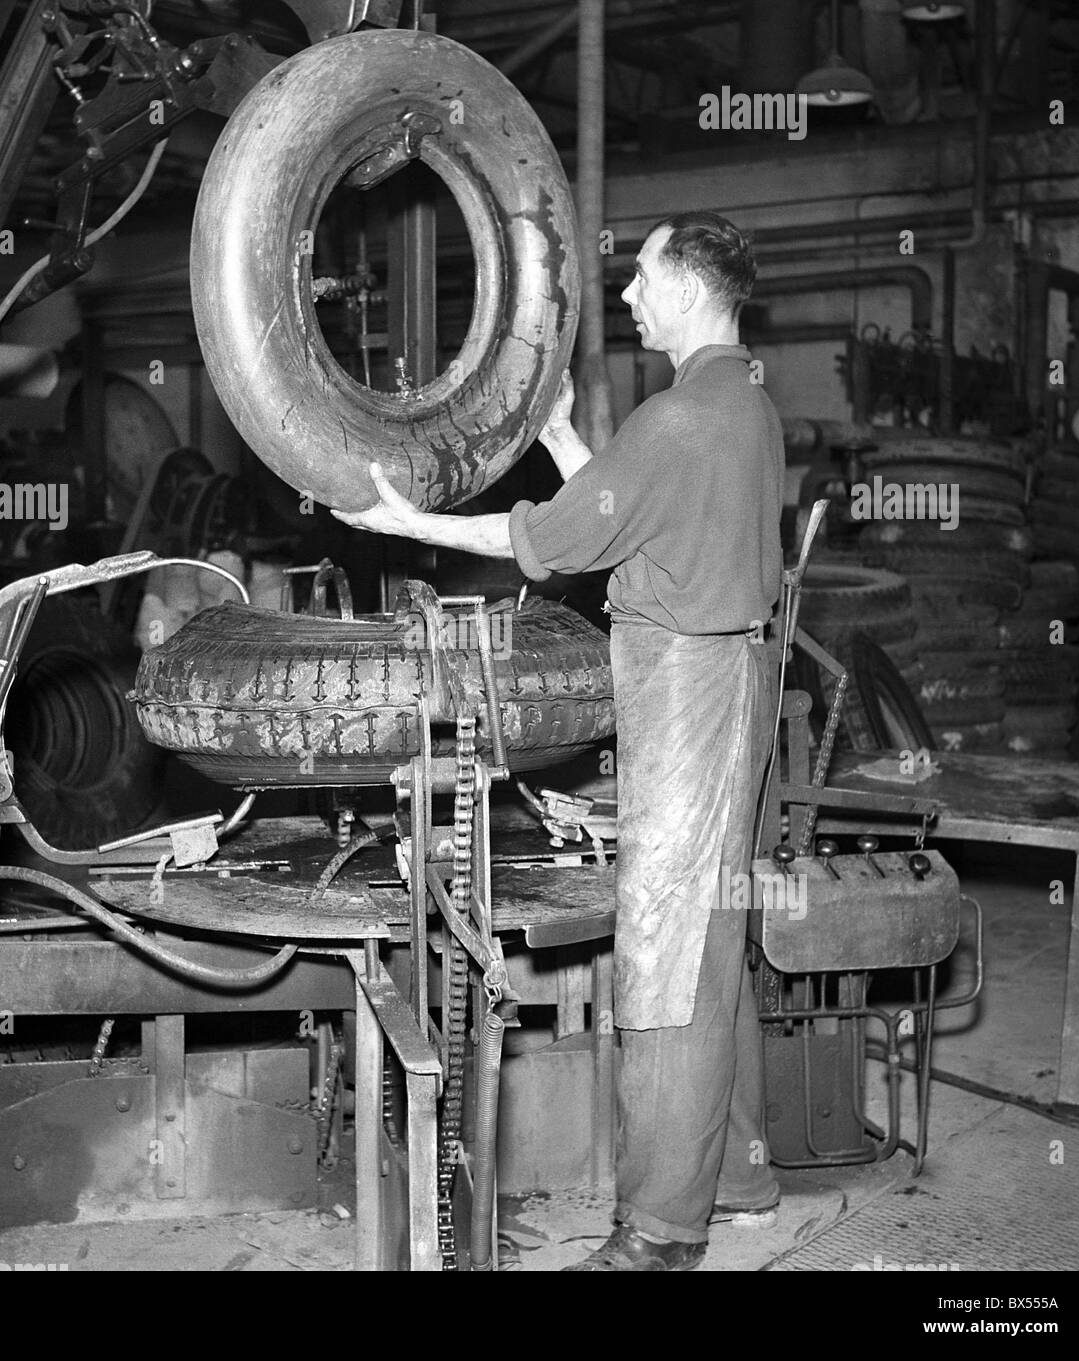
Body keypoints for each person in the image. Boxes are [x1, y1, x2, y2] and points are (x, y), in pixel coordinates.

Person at [333, 210, 784, 1272]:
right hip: (730, 673)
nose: (626, 295)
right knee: (714, 930)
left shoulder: (683, 417)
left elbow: (546, 539)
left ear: (687, 288)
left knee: (663, 951)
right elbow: (620, 506)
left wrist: (408, 524)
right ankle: (738, 1177)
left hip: (688, 681)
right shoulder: (741, 397)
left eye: (640, 276)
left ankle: (660, 1235)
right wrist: (563, 430)